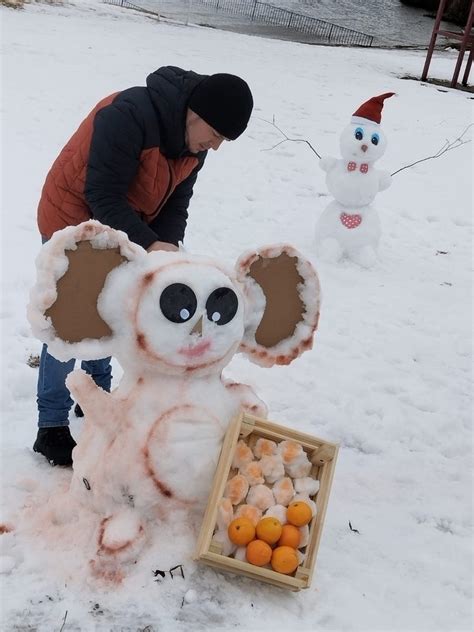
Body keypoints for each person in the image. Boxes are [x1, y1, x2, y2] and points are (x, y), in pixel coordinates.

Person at [33, 66, 254, 466]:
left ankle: (97, 397)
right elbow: (101, 193)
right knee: (72, 317)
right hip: (70, 214)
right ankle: (50, 425)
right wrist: (150, 242)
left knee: (113, 308)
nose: (215, 147)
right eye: (217, 135)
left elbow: (176, 204)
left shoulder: (193, 147)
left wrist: (167, 247)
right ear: (197, 113)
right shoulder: (128, 114)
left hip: (124, 222)